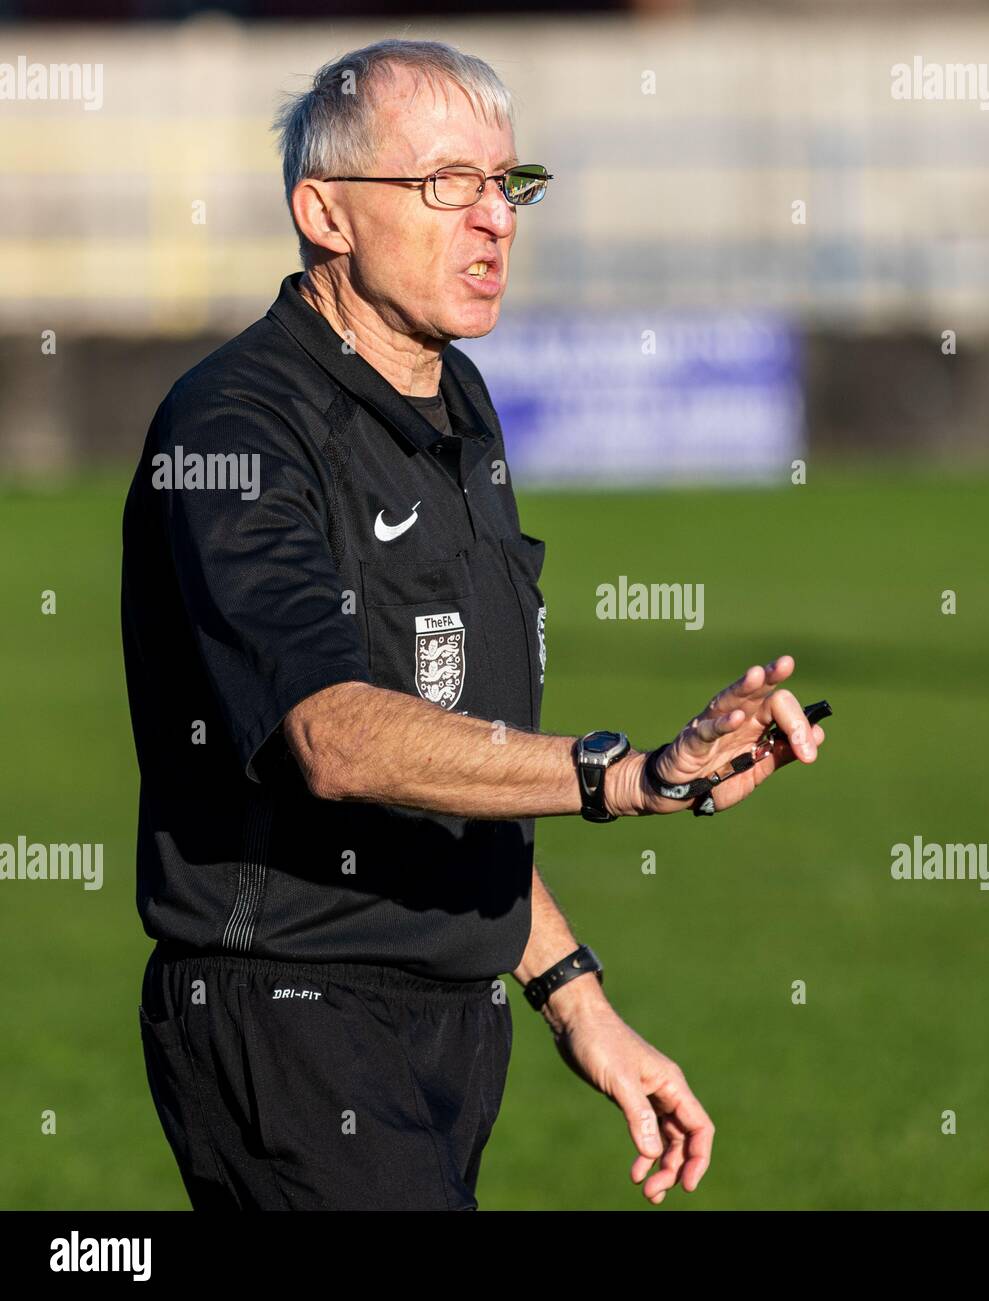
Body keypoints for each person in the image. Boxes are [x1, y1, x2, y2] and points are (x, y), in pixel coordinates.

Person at [120, 38, 825, 1212]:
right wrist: (624, 775)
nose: (493, 219)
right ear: (324, 213)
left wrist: (575, 994)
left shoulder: (455, 402)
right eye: (444, 184)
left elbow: (459, 747)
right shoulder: (237, 424)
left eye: (509, 183)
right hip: (294, 1012)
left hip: (453, 1017)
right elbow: (338, 736)